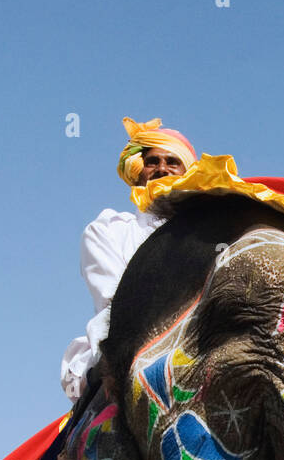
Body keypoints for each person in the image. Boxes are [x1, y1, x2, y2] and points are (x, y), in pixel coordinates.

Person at [60, 116, 197, 401]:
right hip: (130, 344)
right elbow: (118, 300)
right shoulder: (109, 231)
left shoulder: (210, 232)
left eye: (173, 162)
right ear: (137, 172)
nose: (162, 169)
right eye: (152, 162)